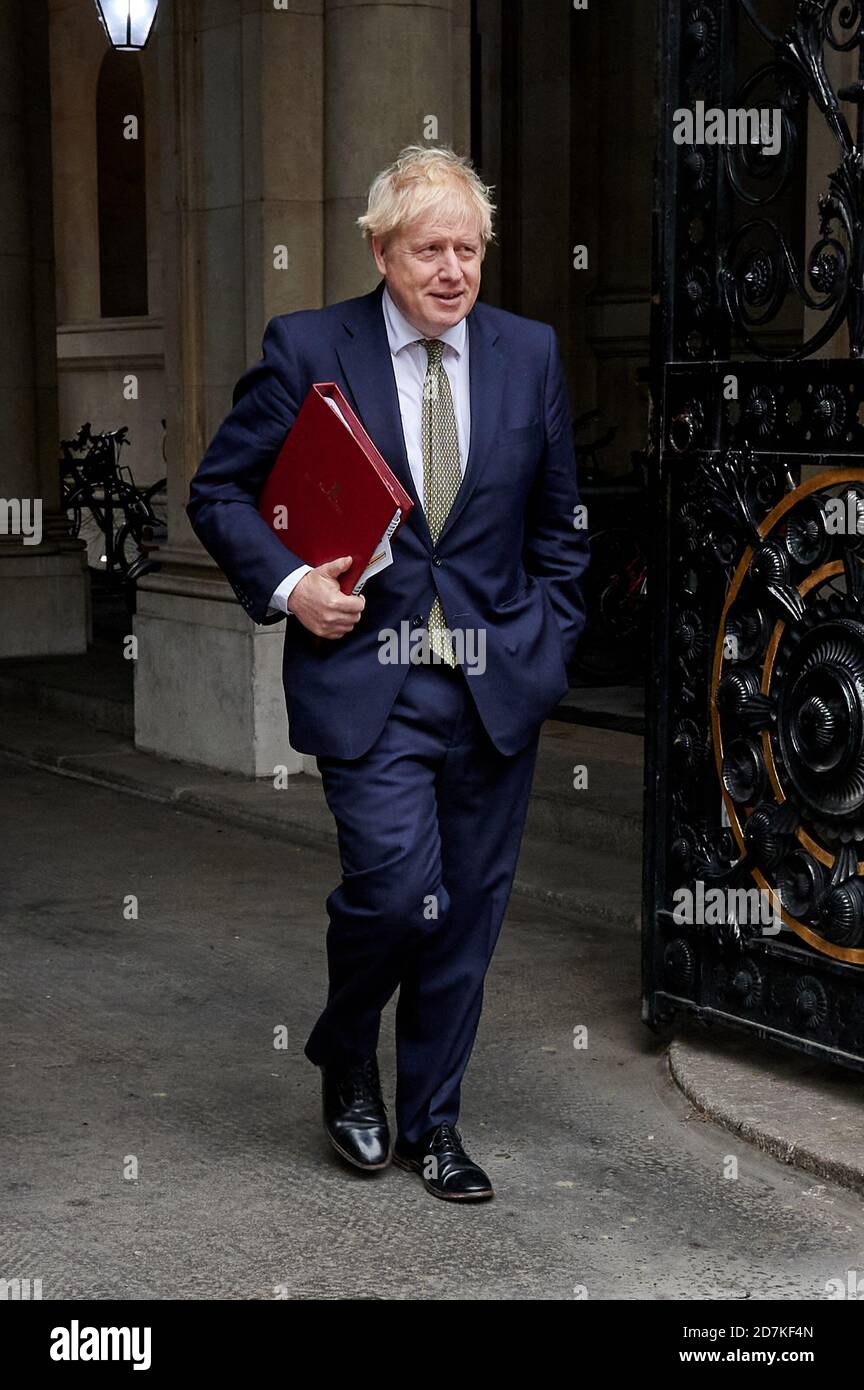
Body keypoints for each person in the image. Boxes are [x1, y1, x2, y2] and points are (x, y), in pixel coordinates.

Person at [186, 145, 589, 1202]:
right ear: (380, 249)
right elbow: (219, 493)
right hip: (372, 677)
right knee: (400, 889)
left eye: (469, 249)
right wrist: (290, 589)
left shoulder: (530, 353)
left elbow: (561, 528)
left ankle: (437, 1126)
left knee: (467, 919)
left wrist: (548, 643)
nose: (452, 270)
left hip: (496, 683)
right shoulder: (310, 347)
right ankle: (344, 1043)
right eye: (428, 249)